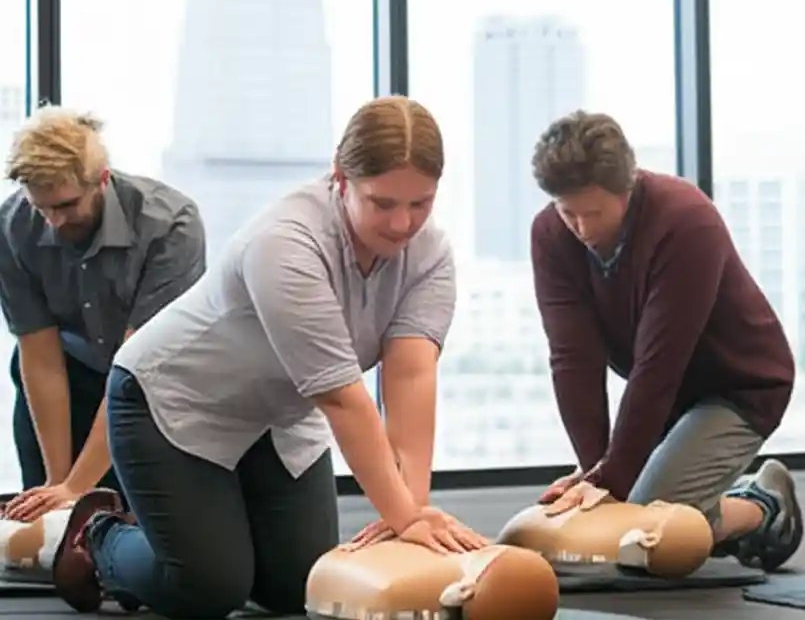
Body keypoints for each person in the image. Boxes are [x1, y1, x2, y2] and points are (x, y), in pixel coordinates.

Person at [49, 96, 487, 618]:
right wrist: (407, 516)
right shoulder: (286, 242)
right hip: (173, 401)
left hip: (278, 416)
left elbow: (411, 377)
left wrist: (409, 515)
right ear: (340, 178)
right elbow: (346, 402)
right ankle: (100, 536)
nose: (401, 224)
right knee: (209, 589)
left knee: (300, 586)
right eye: (382, 202)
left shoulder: (430, 253)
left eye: (421, 203)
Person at [529, 110, 803, 572]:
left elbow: (660, 365)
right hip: (667, 395)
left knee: (640, 535)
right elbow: (573, 359)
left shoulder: (686, 220)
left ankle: (762, 504)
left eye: (592, 212)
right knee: (620, 520)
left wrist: (613, 483)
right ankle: (712, 496)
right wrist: (596, 470)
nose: (580, 227)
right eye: (567, 211)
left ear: (627, 190)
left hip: (740, 387)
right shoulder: (551, 235)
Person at [0, 107, 205, 521]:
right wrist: (59, 484)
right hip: (67, 374)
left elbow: (139, 369)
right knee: (50, 520)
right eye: (42, 207)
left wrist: (79, 487)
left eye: (66, 205)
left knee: (131, 523)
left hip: (151, 384)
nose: (54, 222)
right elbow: (39, 357)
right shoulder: (11, 226)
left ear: (103, 180)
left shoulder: (171, 224)